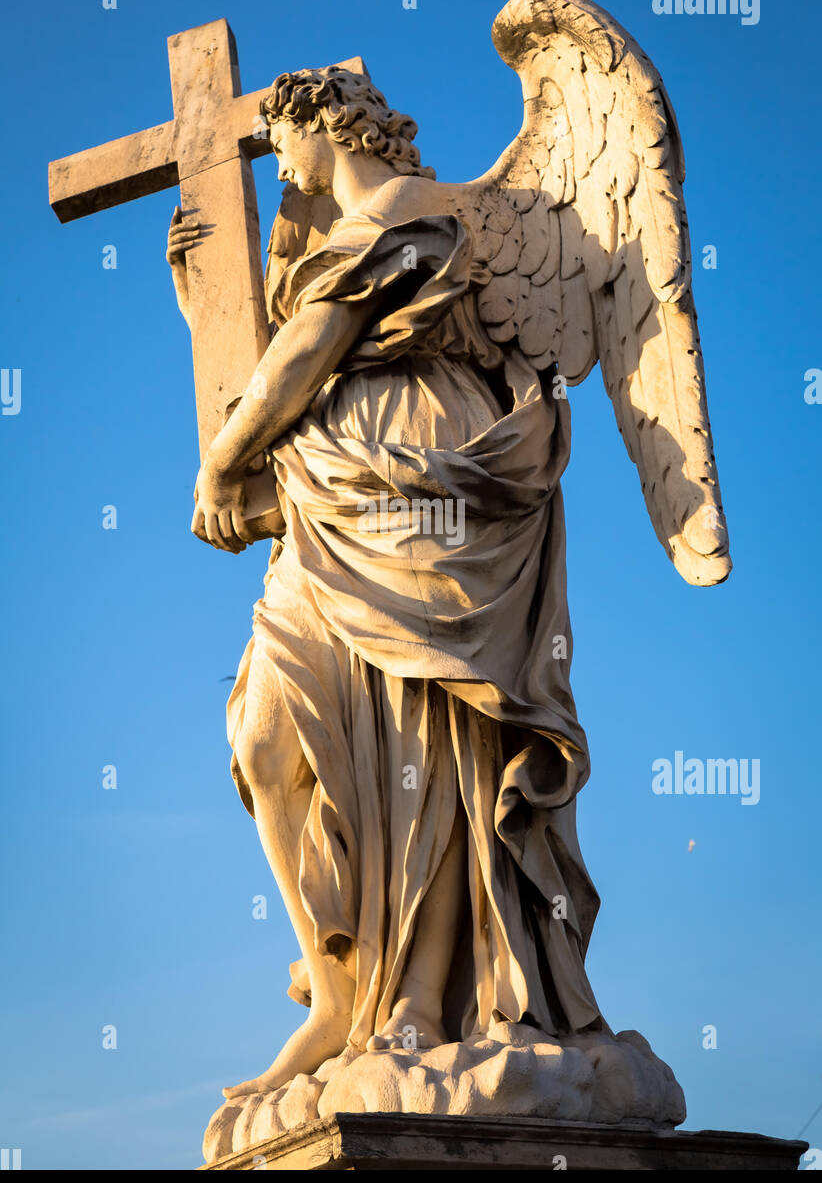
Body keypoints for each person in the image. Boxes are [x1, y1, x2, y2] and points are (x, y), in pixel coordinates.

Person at [167, 65, 605, 1099]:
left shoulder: (417, 209)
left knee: (430, 738)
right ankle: (337, 990)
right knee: (265, 739)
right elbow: (289, 362)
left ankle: (418, 996)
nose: (285, 170)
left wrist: (223, 458)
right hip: (331, 506)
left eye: (284, 145)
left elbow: (305, 354)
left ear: (328, 124)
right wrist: (205, 309)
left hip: (427, 492)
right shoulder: (334, 248)